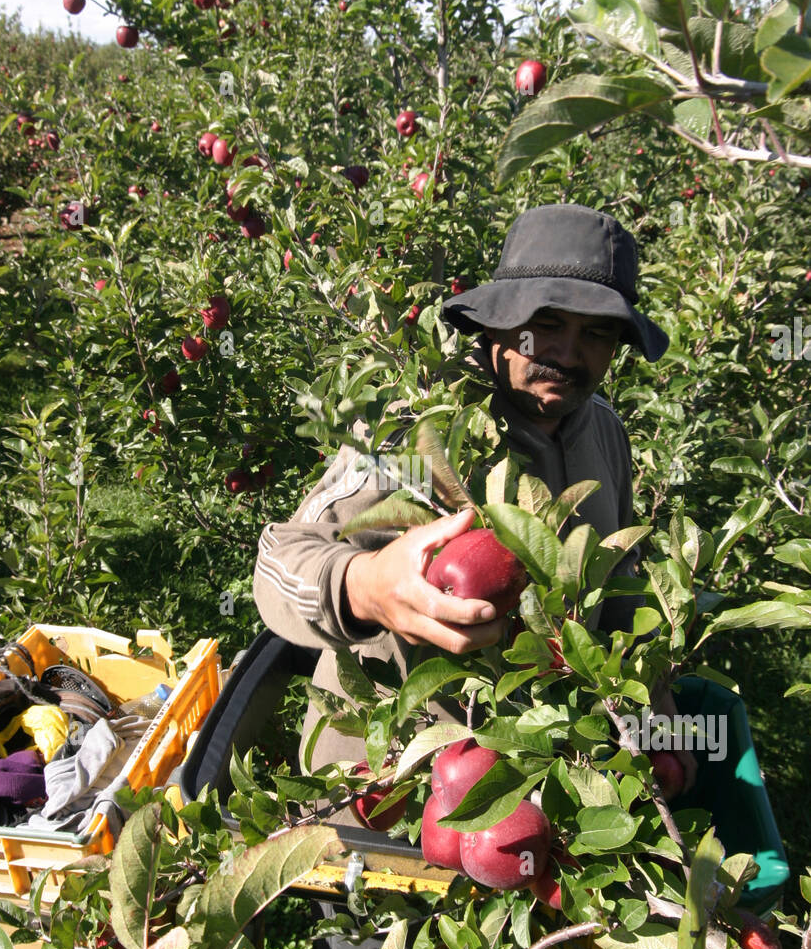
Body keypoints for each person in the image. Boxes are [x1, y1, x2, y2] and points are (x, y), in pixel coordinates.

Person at [253, 203, 695, 812]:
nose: (567, 353)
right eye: (547, 322)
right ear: (500, 322)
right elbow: (280, 562)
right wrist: (368, 584)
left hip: (533, 783)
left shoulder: (605, 433)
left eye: (595, 333)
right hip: (391, 781)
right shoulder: (420, 426)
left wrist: (659, 726)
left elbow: (622, 593)